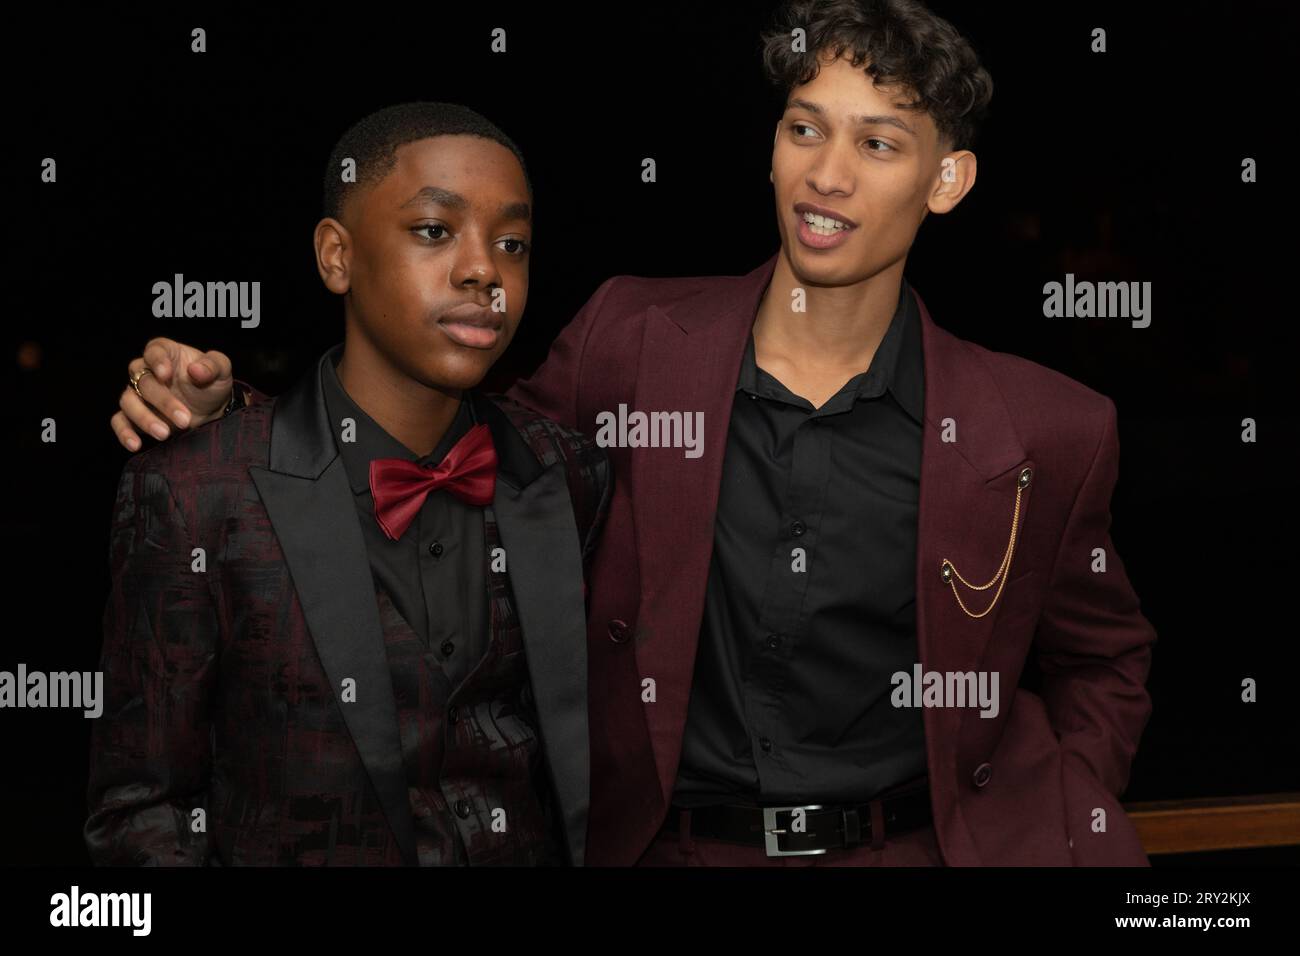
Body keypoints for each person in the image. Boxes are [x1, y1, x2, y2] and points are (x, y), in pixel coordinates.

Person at [107, 0, 1156, 866]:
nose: (826, 173)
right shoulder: (630, 341)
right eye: (804, 127)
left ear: (945, 181)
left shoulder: (1046, 428)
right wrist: (230, 412)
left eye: (877, 142)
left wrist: (1053, 808)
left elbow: (1104, 656)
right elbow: (450, 443)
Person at [88, 102, 610, 866]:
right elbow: (143, 814)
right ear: (337, 256)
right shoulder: (195, 489)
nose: (482, 271)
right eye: (434, 230)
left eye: (512, 243)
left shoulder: (568, 473)